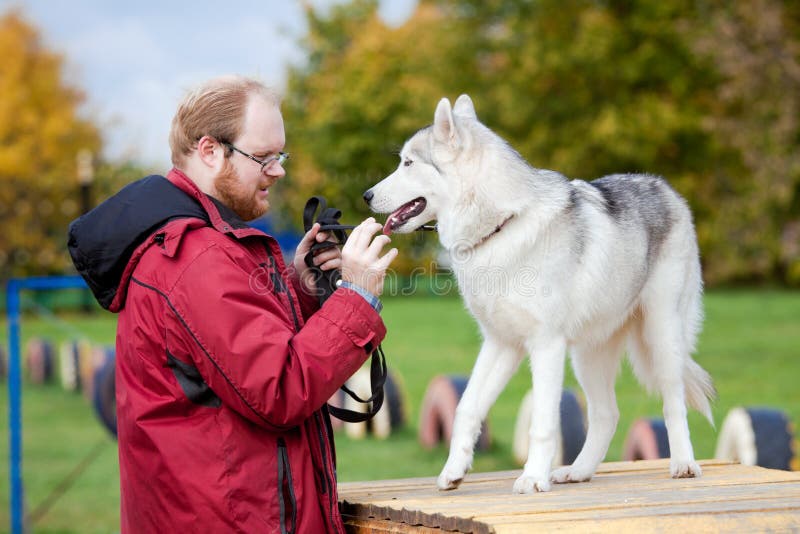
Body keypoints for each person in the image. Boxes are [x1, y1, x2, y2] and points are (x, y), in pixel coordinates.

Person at [67, 75, 398, 533]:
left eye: (280, 156)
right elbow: (280, 389)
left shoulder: (190, 244)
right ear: (209, 151)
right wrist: (356, 296)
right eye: (263, 157)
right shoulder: (197, 258)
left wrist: (302, 285)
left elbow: (232, 360)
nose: (278, 170)